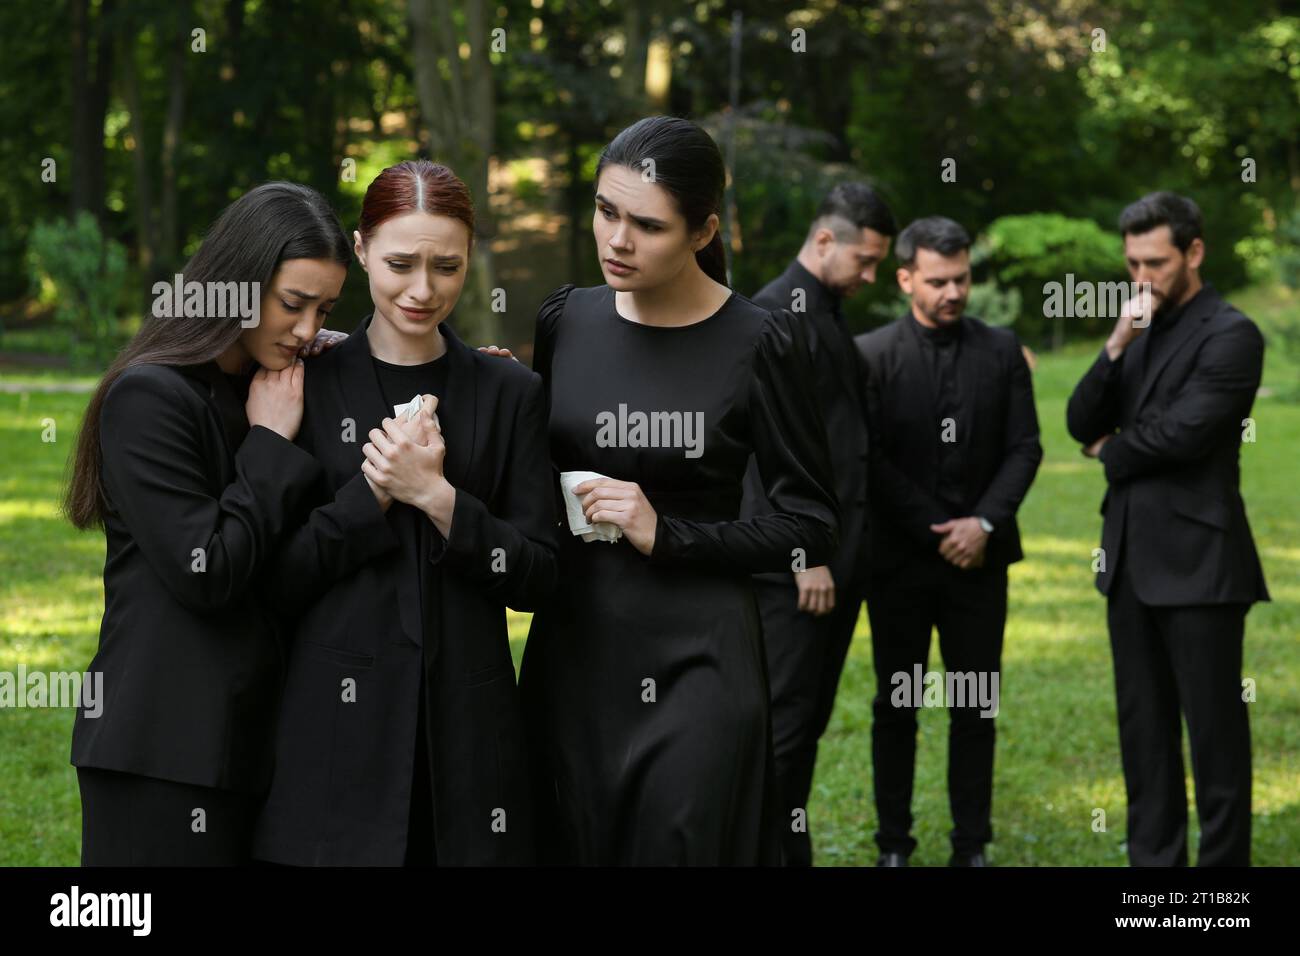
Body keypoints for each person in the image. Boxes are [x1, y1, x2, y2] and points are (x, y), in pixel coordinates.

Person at [515, 116, 839, 865]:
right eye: (605, 211)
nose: (617, 241)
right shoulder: (567, 319)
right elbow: (531, 475)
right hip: (574, 651)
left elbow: (813, 523)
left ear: (703, 231)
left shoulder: (763, 342)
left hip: (700, 658)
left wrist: (670, 533)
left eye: (647, 225)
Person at [251, 160, 557, 866]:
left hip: (469, 748)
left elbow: (541, 576)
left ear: (471, 259)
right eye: (400, 264)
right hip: (332, 741)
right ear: (358, 251)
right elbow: (273, 578)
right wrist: (374, 496)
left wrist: (441, 499)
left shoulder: (510, 391)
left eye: (446, 267)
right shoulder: (300, 384)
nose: (423, 290)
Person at [65, 182, 350, 865]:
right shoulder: (149, 397)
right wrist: (270, 446)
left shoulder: (269, 383)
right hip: (159, 751)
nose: (308, 328)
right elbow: (209, 571)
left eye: (325, 309)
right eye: (293, 304)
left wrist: (465, 375)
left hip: (251, 745)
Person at [1066, 191, 1268, 867]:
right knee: (1143, 736)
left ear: (1195, 252)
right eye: (1132, 264)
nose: (1142, 277)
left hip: (1202, 566)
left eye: (1156, 261)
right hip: (1127, 564)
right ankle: (1155, 878)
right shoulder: (1138, 325)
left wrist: (1112, 452)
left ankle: (1221, 884)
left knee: (1215, 738)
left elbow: (1188, 432)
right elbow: (1078, 420)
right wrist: (1117, 341)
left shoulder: (1233, 333)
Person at [855, 216, 1042, 867]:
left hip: (981, 563)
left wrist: (982, 523)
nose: (952, 292)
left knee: (974, 705)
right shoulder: (872, 355)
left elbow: (1025, 446)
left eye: (961, 278)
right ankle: (893, 846)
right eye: (938, 281)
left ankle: (971, 846)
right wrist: (936, 528)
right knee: (896, 704)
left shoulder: (1002, 350)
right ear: (905, 277)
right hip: (900, 564)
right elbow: (869, 459)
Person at [740, 182, 896, 866]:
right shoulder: (773, 314)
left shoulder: (827, 312)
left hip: (844, 565)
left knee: (805, 732)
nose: (871, 276)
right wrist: (805, 555)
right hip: (797, 574)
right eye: (864, 261)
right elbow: (753, 455)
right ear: (824, 239)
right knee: (779, 731)